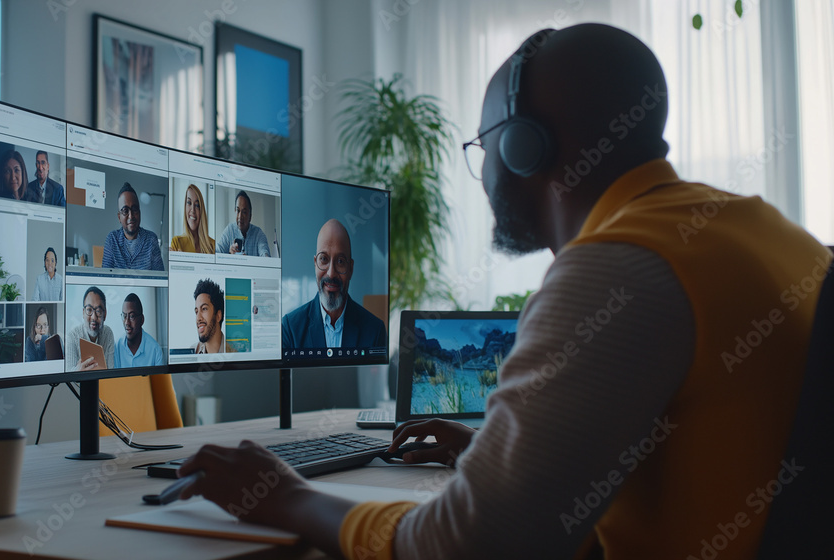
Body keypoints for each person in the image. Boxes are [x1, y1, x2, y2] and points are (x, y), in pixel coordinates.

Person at [177, 24, 833, 559]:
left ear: (526, 147)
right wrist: (503, 462)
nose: (484, 170)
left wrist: (285, 495)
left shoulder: (618, 264)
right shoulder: (767, 230)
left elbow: (468, 547)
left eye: (483, 145)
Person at [281, 218, 387, 350]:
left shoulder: (375, 331)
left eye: (340, 261)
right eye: (324, 259)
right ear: (315, 264)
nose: (331, 273)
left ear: (351, 268)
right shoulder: (290, 329)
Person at [102, 183, 165, 271]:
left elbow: (159, 278)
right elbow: (105, 278)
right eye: (125, 210)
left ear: (139, 212)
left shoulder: (151, 239)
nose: (131, 216)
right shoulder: (112, 239)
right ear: (119, 217)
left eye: (134, 209)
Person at [66, 287, 115, 371]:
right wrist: (77, 372)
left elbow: (110, 371)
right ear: (83, 313)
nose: (94, 317)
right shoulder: (72, 336)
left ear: (105, 314)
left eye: (98, 311)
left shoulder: (108, 333)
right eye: (89, 310)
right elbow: (68, 373)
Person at [114, 293, 165, 368]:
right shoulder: (117, 346)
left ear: (142, 320)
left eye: (132, 316)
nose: (127, 322)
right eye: (124, 316)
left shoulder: (155, 350)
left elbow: (160, 379)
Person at [216, 190, 270, 256]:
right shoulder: (229, 230)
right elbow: (217, 252)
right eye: (238, 211)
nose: (240, 216)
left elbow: (265, 254)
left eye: (244, 212)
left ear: (250, 216)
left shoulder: (258, 234)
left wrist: (247, 261)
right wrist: (228, 255)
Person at [169, 184, 215, 254]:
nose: (192, 210)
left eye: (197, 205)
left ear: (201, 211)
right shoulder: (177, 242)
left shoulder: (212, 245)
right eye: (189, 203)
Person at [192, 278, 233, 353]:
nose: (198, 318)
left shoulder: (235, 354)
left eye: (204, 309)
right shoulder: (193, 352)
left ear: (218, 316)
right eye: (196, 311)